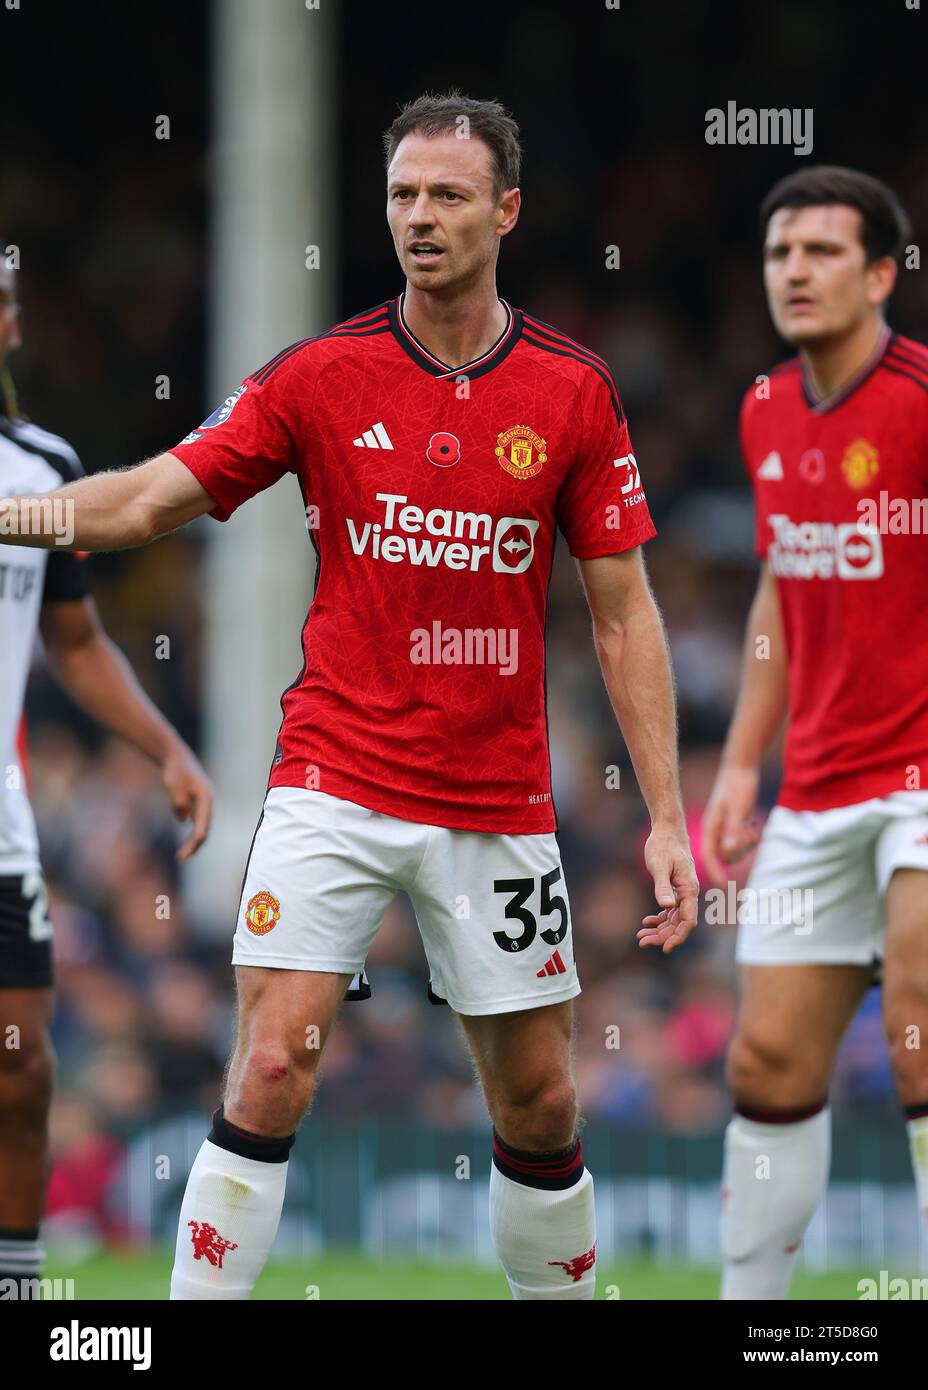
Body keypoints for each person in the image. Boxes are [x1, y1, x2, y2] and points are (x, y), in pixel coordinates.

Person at [0, 93, 698, 1301]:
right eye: (401, 196)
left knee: (536, 1100)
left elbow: (623, 610)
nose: (419, 219)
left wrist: (668, 814)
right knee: (270, 1063)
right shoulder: (319, 376)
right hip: (334, 776)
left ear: (507, 211)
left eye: (448, 196)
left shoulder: (574, 394)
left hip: (499, 799)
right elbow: (136, 505)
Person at [701, 166, 928, 1299]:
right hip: (820, 785)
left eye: (823, 252)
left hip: (923, 777)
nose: (794, 270)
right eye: (780, 252)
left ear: (883, 274)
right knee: (767, 1059)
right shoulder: (763, 410)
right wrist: (742, 760)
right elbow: (780, 593)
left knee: (917, 1020)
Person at [0, 241, 213, 1298]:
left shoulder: (44, 471)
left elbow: (76, 644)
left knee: (23, 1065)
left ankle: (20, 1285)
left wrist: (166, 746)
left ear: (7, 324)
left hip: (3, 824)